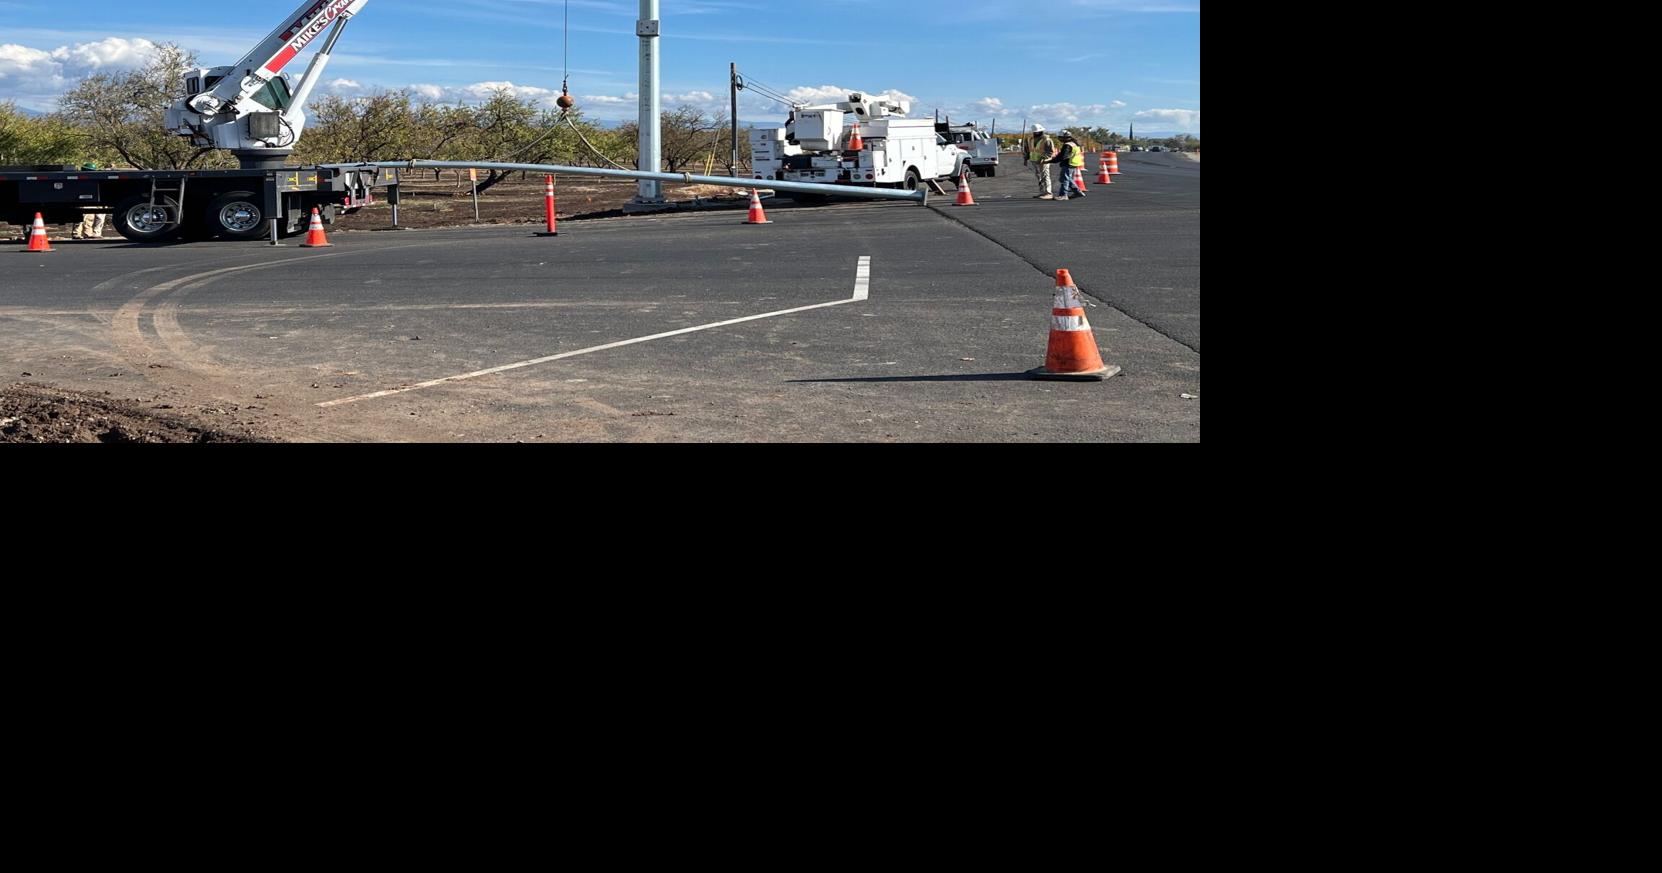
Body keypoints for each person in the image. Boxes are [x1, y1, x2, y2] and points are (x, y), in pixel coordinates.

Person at [1047, 131, 1086, 200]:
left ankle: (1063, 195)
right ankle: (1077, 192)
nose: (1059, 139)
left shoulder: (1068, 145)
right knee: (1067, 178)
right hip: (1074, 163)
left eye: (1060, 138)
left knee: (1064, 179)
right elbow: (1062, 155)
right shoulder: (1074, 143)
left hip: (1069, 163)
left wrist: (1051, 161)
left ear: (1064, 138)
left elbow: (1062, 156)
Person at [1023, 124, 1058, 200]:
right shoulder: (1030, 139)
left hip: (1043, 161)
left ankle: (1048, 193)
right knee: (1039, 177)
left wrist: (1043, 158)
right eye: (1035, 132)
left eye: (1039, 131)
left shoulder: (1047, 140)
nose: (1037, 133)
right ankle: (1042, 192)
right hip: (1034, 160)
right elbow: (1027, 150)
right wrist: (1025, 159)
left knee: (1045, 176)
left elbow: (1050, 151)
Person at [73, 163, 107, 239]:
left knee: (99, 217)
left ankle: (95, 233)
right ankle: (79, 233)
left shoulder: (96, 178)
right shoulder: (79, 178)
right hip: (86, 198)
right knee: (85, 217)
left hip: (97, 199)